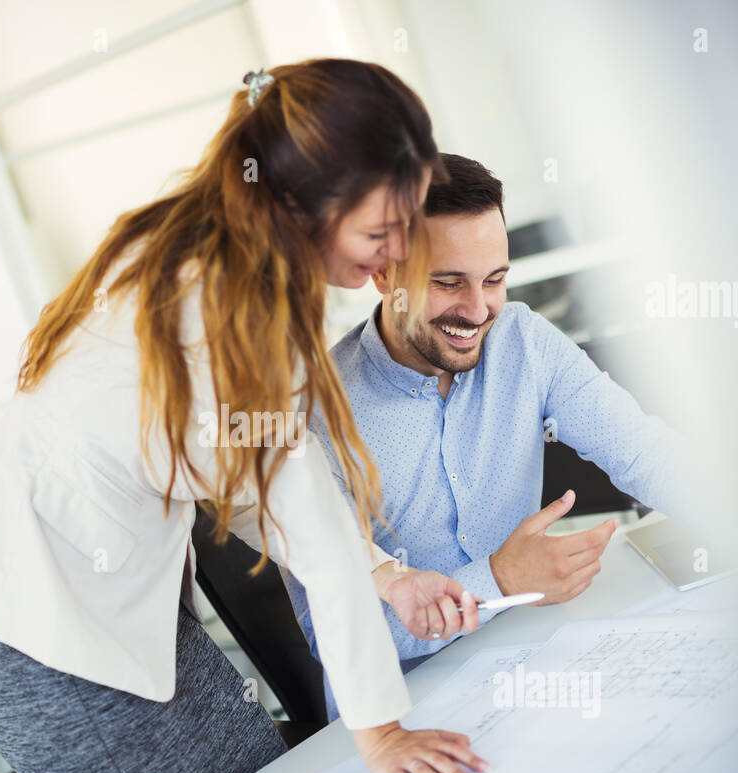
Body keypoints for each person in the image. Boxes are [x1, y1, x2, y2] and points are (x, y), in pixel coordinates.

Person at [0, 63, 492, 773]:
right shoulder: (218, 308)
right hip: (62, 662)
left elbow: (237, 476)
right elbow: (301, 514)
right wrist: (379, 731)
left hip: (125, 629)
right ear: (296, 203)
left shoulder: (211, 249)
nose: (397, 255)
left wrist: (382, 572)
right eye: (381, 233)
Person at [285, 154, 699, 722]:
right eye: (448, 283)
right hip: (409, 718)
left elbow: (647, 455)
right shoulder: (312, 418)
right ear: (382, 275)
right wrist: (497, 580)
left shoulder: (522, 339)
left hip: (540, 662)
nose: (478, 310)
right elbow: (344, 640)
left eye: (495, 279)